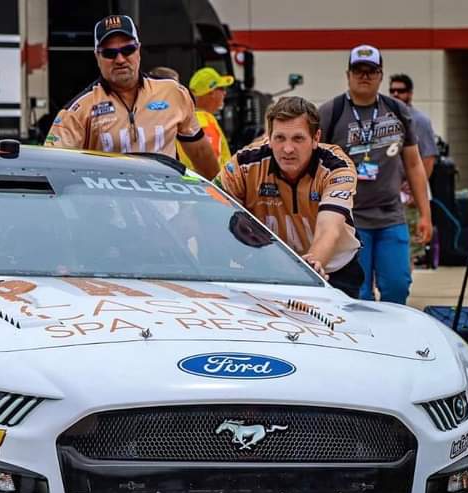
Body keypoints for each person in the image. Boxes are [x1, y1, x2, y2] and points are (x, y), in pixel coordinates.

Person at [318, 45, 432, 305]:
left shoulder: (398, 110)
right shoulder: (331, 112)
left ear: (381, 75)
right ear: (348, 74)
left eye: (372, 71)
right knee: (359, 294)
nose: (365, 76)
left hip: (391, 215)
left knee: (397, 286)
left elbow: (414, 164)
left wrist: (426, 214)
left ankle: (393, 341)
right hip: (348, 218)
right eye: (359, 70)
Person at [219, 96, 363, 297]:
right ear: (268, 137)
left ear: (316, 138)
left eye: (298, 138)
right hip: (268, 270)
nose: (287, 149)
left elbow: (328, 228)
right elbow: (209, 209)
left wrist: (312, 266)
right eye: (279, 138)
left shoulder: (335, 166)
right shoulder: (245, 163)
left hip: (330, 271)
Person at [44, 14, 219, 179]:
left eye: (127, 50)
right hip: (108, 209)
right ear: (97, 57)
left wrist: (220, 202)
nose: (120, 59)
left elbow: (201, 153)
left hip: (168, 209)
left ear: (139, 51)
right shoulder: (79, 110)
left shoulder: (173, 93)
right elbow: (50, 167)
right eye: (109, 53)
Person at [389, 73, 438, 263]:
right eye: (392, 90)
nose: (395, 94)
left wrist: (415, 190)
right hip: (388, 193)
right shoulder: (384, 118)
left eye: (400, 91)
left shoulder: (420, 121)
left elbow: (428, 159)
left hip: (409, 195)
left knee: (407, 251)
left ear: (410, 94)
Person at [184, 67, 233, 174]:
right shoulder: (205, 121)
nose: (224, 93)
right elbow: (212, 160)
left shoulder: (187, 118)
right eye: (222, 89)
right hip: (209, 187)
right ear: (212, 92)